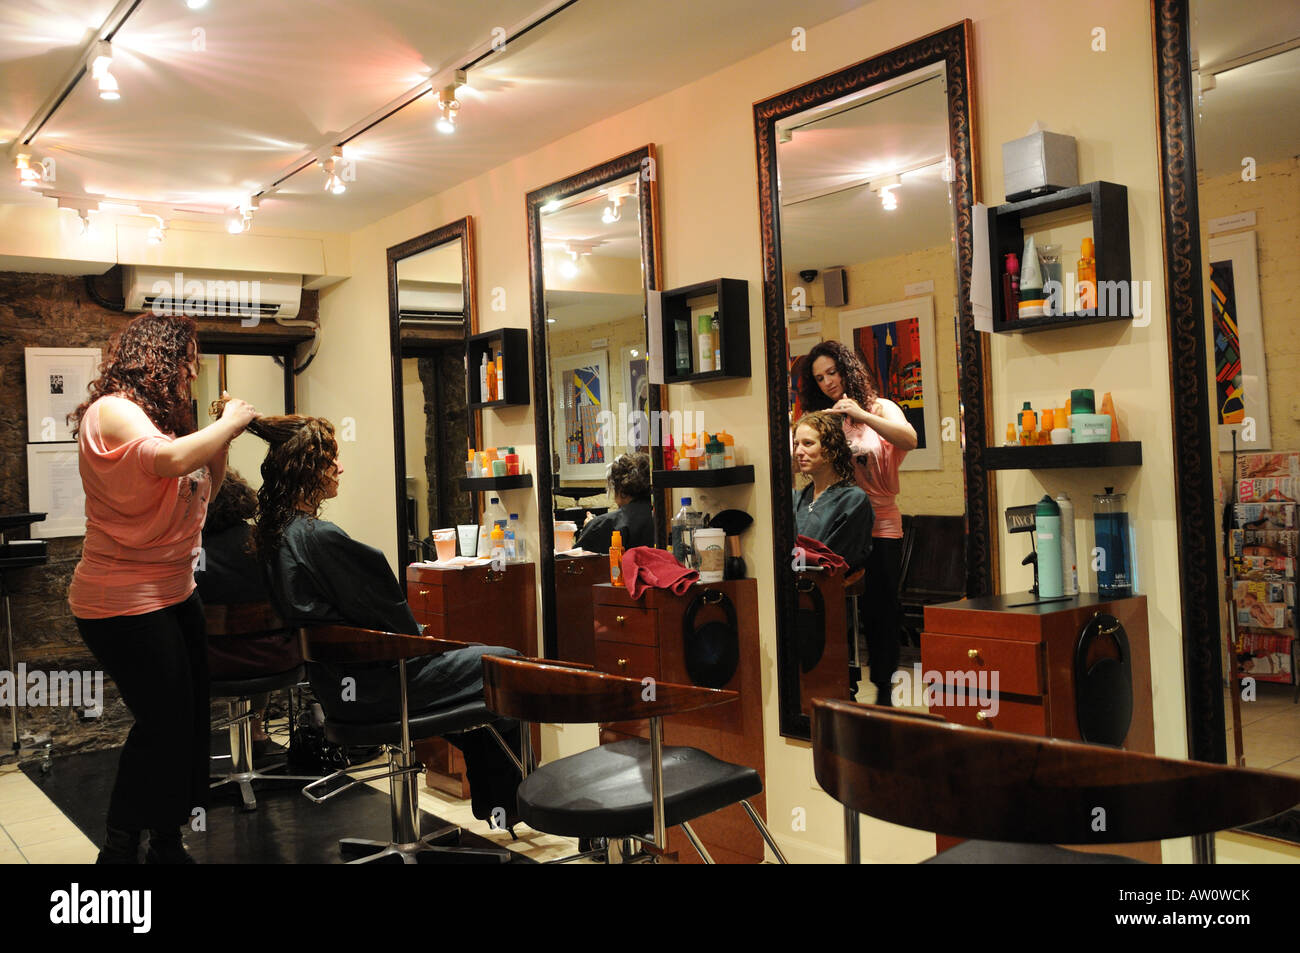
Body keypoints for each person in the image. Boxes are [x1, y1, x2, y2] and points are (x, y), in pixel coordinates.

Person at [243, 409, 522, 825]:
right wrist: (418, 636)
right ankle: (512, 807)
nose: (339, 467)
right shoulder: (318, 538)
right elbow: (392, 619)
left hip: (338, 690)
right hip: (380, 689)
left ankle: (497, 803)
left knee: (479, 663)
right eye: (329, 459)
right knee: (507, 665)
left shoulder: (276, 537)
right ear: (307, 469)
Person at [68, 312, 258, 864]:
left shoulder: (155, 420)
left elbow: (201, 489)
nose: (190, 376)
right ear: (162, 359)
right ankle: (120, 847)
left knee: (190, 720)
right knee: (162, 723)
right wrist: (233, 422)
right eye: (188, 364)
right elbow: (172, 460)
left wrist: (218, 444)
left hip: (173, 594)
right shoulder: (113, 413)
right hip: (120, 602)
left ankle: (167, 842)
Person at [798, 340, 917, 705]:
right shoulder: (822, 417)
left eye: (832, 372)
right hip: (837, 522)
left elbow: (909, 439)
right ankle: (837, 684)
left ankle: (884, 692)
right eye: (819, 378)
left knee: (881, 610)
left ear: (848, 369)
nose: (828, 383)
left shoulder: (881, 408)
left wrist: (862, 416)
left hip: (880, 523)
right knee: (830, 606)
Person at [196, 468, 301, 754]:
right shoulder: (265, 541)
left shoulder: (191, 549)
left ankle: (187, 742)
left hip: (209, 664)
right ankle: (256, 731)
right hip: (272, 660)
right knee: (258, 641)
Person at [791, 412, 874, 571]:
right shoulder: (798, 498)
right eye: (797, 444)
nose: (798, 452)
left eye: (807, 443)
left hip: (826, 588)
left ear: (830, 450)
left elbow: (833, 560)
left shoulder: (853, 500)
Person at [574, 452, 654, 553]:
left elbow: (576, 560)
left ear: (619, 487)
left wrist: (588, 527)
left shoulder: (601, 525)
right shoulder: (660, 518)